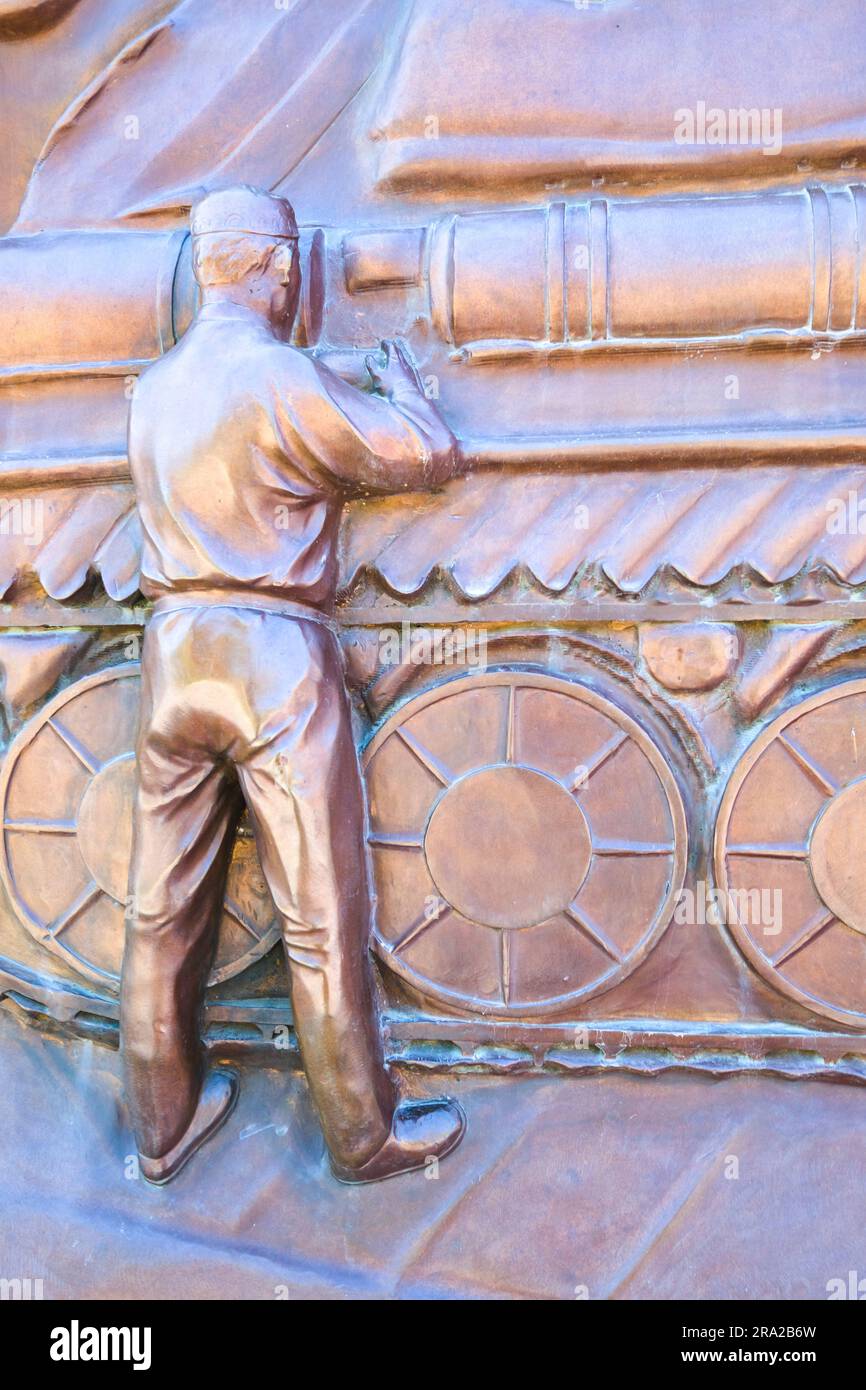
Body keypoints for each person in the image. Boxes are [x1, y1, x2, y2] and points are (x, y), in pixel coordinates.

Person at [120, 184, 465, 1184]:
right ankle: (363, 1136)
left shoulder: (154, 388)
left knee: (159, 909)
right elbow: (424, 455)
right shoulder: (278, 378)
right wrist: (399, 386)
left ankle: (159, 1128)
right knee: (319, 911)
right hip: (272, 651)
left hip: (176, 647)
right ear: (272, 269)